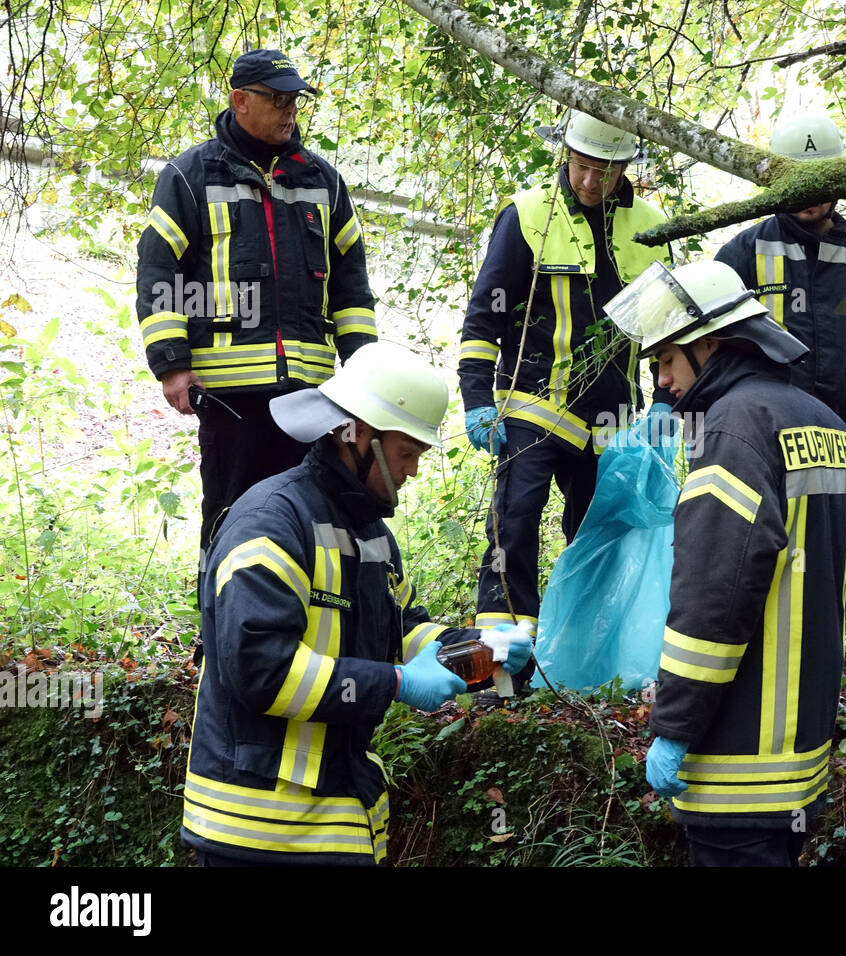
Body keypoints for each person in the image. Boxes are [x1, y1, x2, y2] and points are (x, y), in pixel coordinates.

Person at [180, 341, 533, 865]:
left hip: (337, 824)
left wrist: (484, 652)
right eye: (407, 453)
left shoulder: (369, 535)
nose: (412, 471)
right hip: (253, 831)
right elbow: (259, 668)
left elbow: (403, 632)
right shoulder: (271, 522)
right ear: (359, 435)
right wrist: (396, 683)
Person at [606, 260, 846, 866]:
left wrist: (673, 726)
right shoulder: (824, 421)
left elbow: (712, 599)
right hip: (799, 752)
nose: (664, 382)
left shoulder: (732, 431)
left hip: (737, 757)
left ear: (708, 344)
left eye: (666, 361)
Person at [136, 48, 378, 574]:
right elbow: (159, 274)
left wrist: (365, 372)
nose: (289, 111)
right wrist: (173, 365)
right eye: (277, 100)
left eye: (295, 101)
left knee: (314, 516)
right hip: (231, 396)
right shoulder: (188, 175)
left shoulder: (324, 181)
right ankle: (221, 640)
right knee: (231, 513)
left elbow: (352, 287)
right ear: (239, 100)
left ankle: (303, 635)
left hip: (312, 394)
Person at [457, 110, 671, 681]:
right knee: (513, 531)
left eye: (604, 170)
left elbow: (667, 328)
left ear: (627, 166)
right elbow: (484, 317)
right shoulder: (526, 215)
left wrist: (670, 398)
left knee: (601, 539)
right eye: (580, 166)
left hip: (614, 423)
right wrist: (477, 396)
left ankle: (588, 670)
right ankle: (501, 676)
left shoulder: (653, 227)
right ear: (566, 156)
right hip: (533, 409)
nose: (589, 181)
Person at [715, 112, 846, 471]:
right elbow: (710, 350)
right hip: (767, 445)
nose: (809, 192)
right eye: (797, 179)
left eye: (820, 178)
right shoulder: (742, 255)